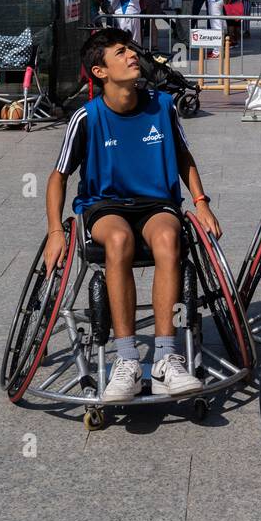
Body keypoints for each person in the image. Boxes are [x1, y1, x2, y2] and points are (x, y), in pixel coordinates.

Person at [44, 28, 220, 401]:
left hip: (156, 202)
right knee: (119, 239)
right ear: (99, 72)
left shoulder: (162, 106)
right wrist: (55, 232)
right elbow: (58, 177)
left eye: (130, 50)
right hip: (105, 203)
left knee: (170, 239)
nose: (132, 56)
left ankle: (164, 357)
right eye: (121, 52)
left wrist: (201, 202)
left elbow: (184, 157)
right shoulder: (87, 117)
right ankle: (125, 358)